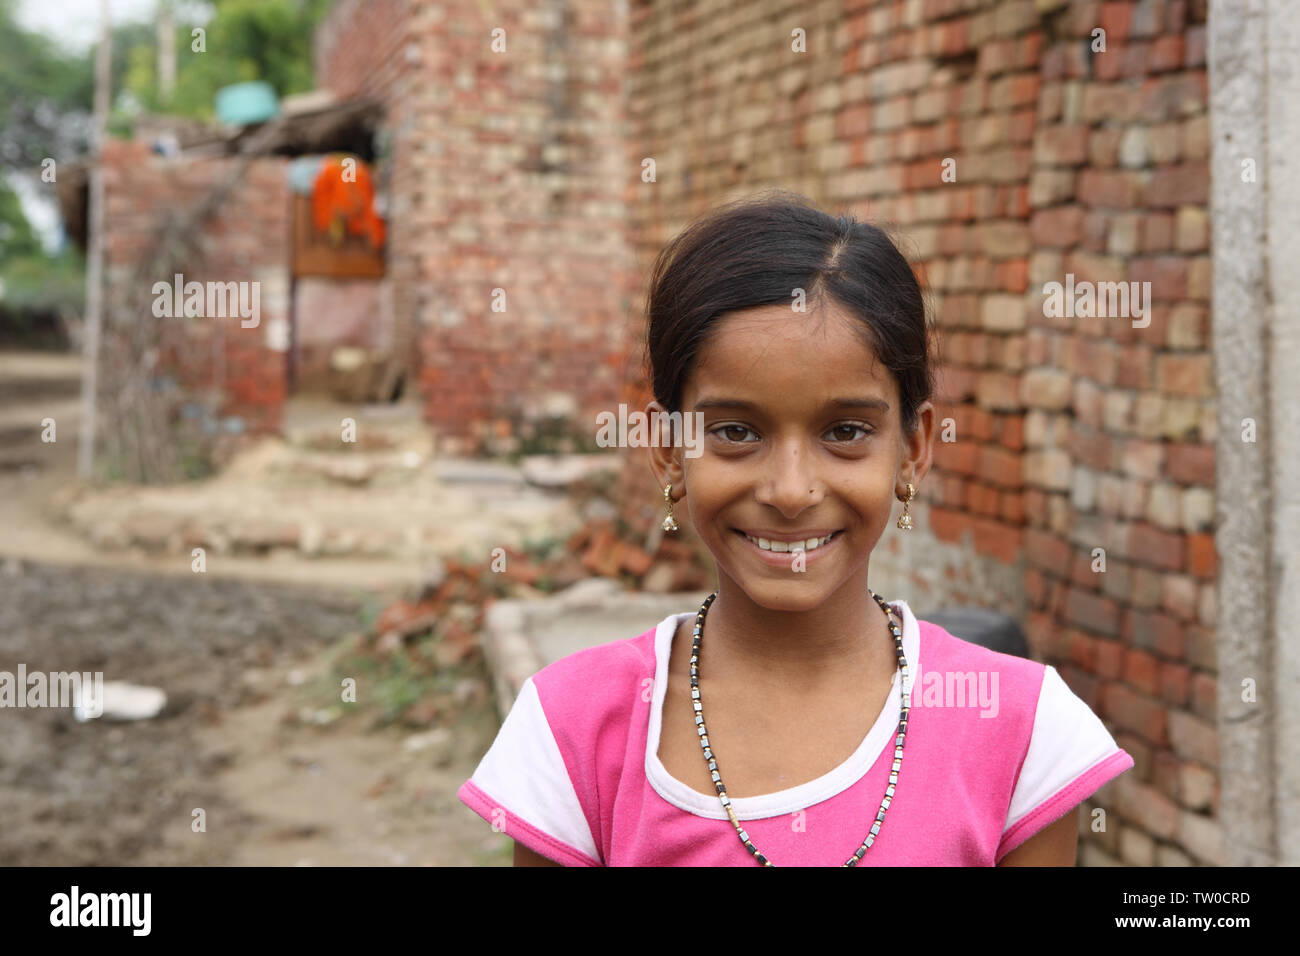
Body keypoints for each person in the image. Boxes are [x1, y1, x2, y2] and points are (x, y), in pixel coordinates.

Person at [457, 190, 1133, 866]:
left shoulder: (1021, 731)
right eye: (735, 432)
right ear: (668, 448)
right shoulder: (576, 727)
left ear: (913, 447)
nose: (789, 491)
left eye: (844, 432)